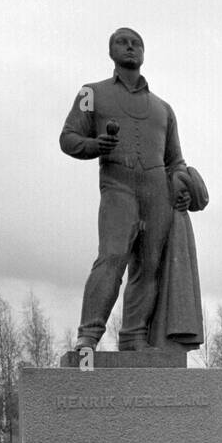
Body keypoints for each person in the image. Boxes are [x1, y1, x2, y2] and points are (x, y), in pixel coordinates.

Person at [60, 27, 192, 351]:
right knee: (112, 257)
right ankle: (88, 337)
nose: (130, 47)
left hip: (157, 192)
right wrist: (95, 145)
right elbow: (68, 139)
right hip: (118, 186)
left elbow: (175, 160)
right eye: (123, 42)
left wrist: (182, 185)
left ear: (144, 54)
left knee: (149, 267)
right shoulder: (91, 92)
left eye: (137, 44)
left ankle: (134, 336)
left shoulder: (164, 108)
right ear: (111, 52)